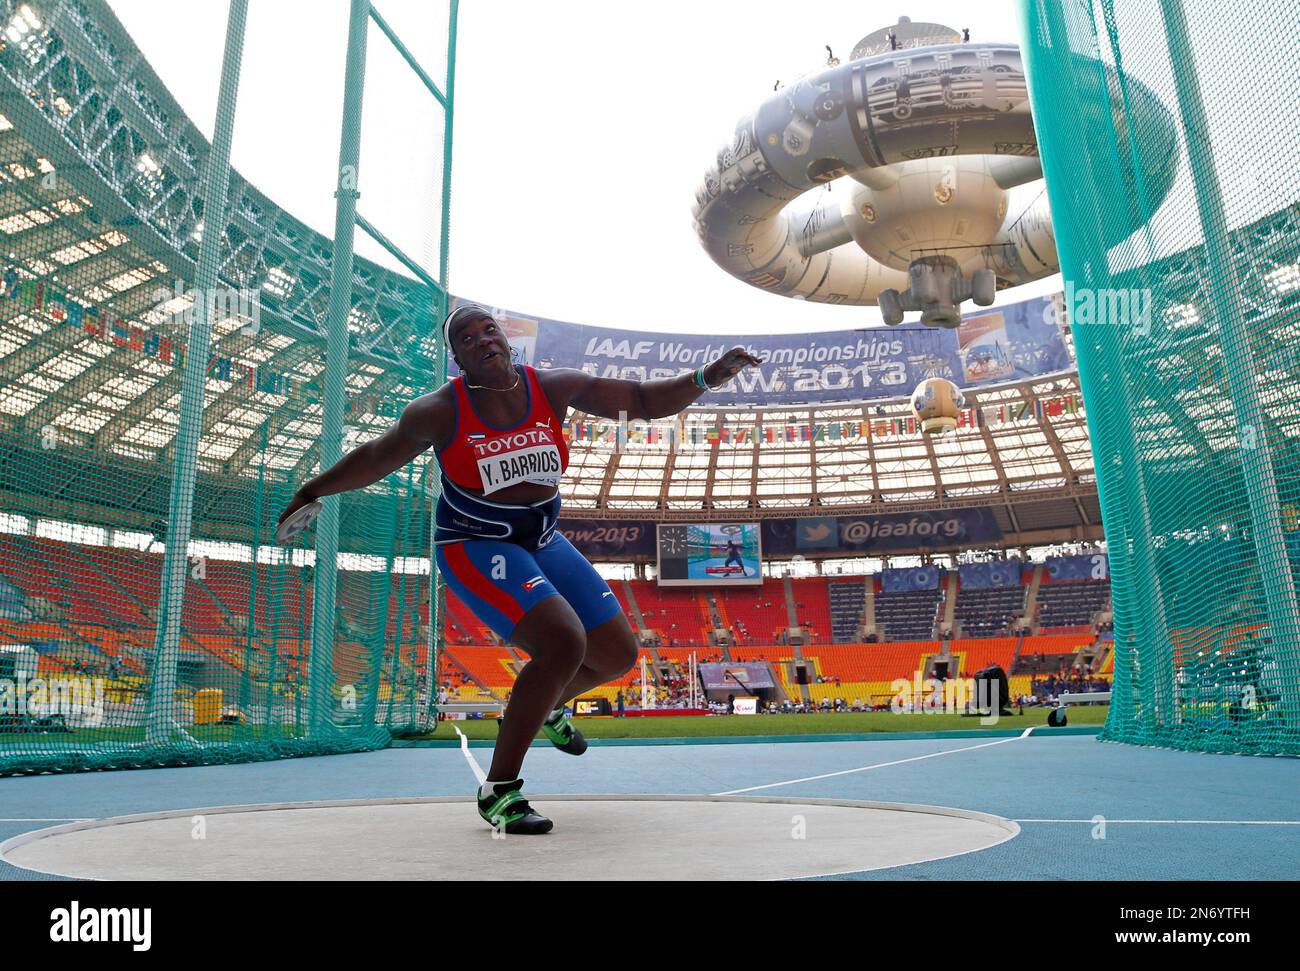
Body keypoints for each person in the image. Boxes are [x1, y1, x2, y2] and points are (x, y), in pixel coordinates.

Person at [277, 303, 761, 834]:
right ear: (457, 359)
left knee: (619, 654)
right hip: (477, 543)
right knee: (561, 641)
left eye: (489, 328)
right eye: (466, 337)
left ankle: (546, 705)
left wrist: (705, 377)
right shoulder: (437, 411)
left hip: (542, 537)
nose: (482, 338)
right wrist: (310, 490)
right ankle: (500, 790)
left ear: (506, 341)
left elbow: (642, 401)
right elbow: (375, 456)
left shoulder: (552, 388)